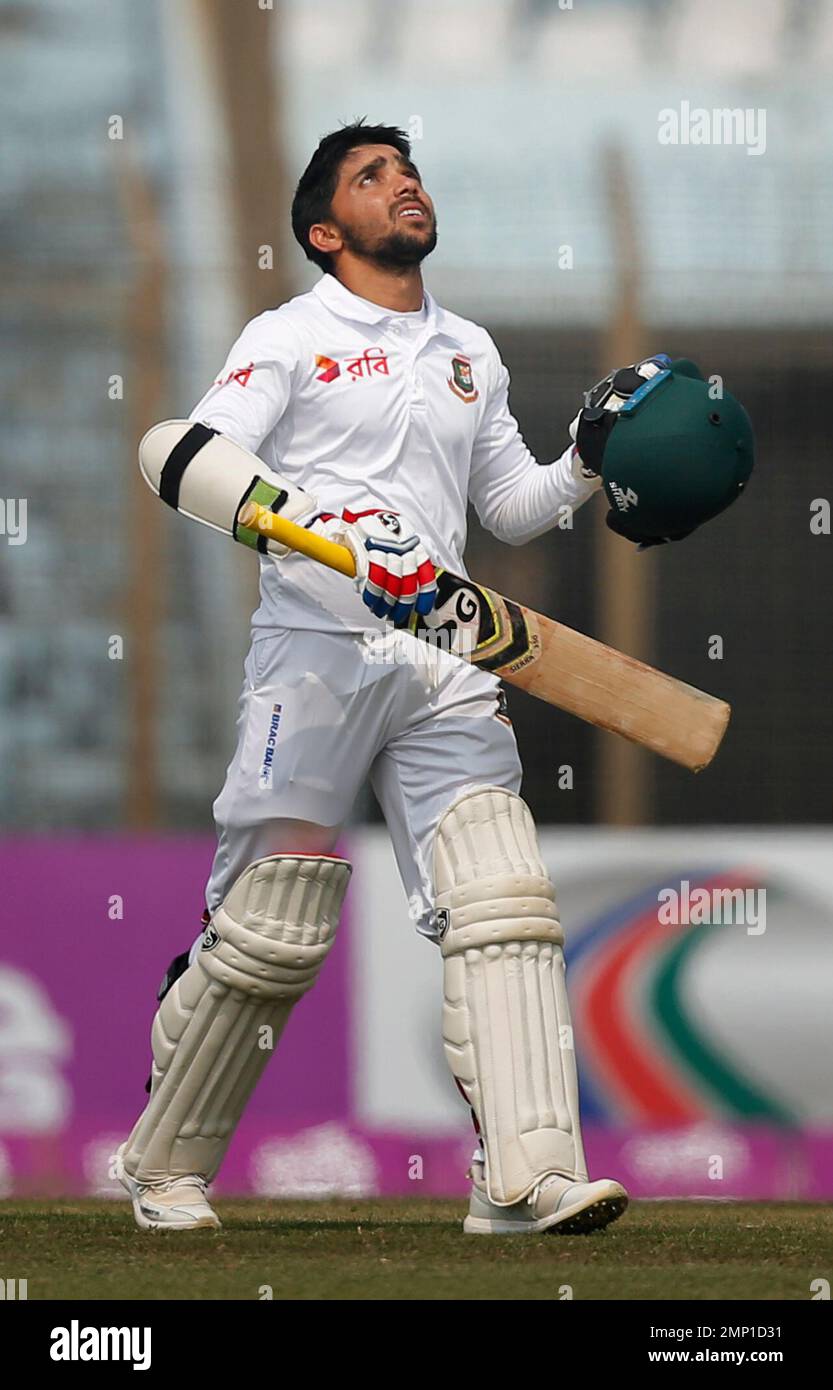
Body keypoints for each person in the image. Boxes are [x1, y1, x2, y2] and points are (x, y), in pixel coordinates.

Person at [117, 118, 637, 1236]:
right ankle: (163, 1165)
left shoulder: (471, 354)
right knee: (273, 921)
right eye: (370, 177)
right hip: (313, 657)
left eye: (404, 170)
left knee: (501, 895)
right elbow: (197, 454)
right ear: (323, 228)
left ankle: (524, 1176)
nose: (400, 184)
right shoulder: (288, 335)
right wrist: (319, 530)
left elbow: (507, 510)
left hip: (444, 657)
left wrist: (588, 464)